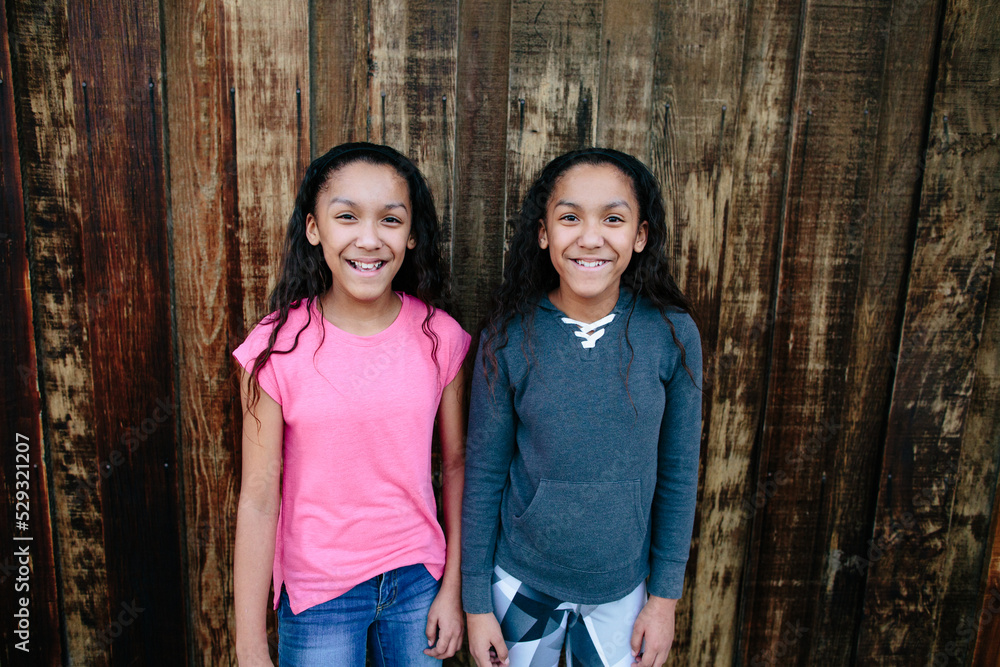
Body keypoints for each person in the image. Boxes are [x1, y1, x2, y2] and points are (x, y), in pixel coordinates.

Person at [461, 148, 703, 667]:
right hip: (520, 581)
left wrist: (663, 601)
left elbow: (680, 477)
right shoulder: (508, 337)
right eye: (570, 218)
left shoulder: (671, 335)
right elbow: (484, 475)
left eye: (613, 219)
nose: (590, 237)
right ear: (544, 232)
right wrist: (476, 603)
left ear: (639, 236)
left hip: (622, 591)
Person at [232, 142, 470, 666]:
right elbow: (257, 496)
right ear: (315, 229)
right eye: (346, 216)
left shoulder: (440, 337)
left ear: (410, 236)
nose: (369, 238)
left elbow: (455, 466)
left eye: (390, 219)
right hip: (318, 594)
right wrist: (249, 642)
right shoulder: (276, 347)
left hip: (418, 582)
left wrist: (454, 590)